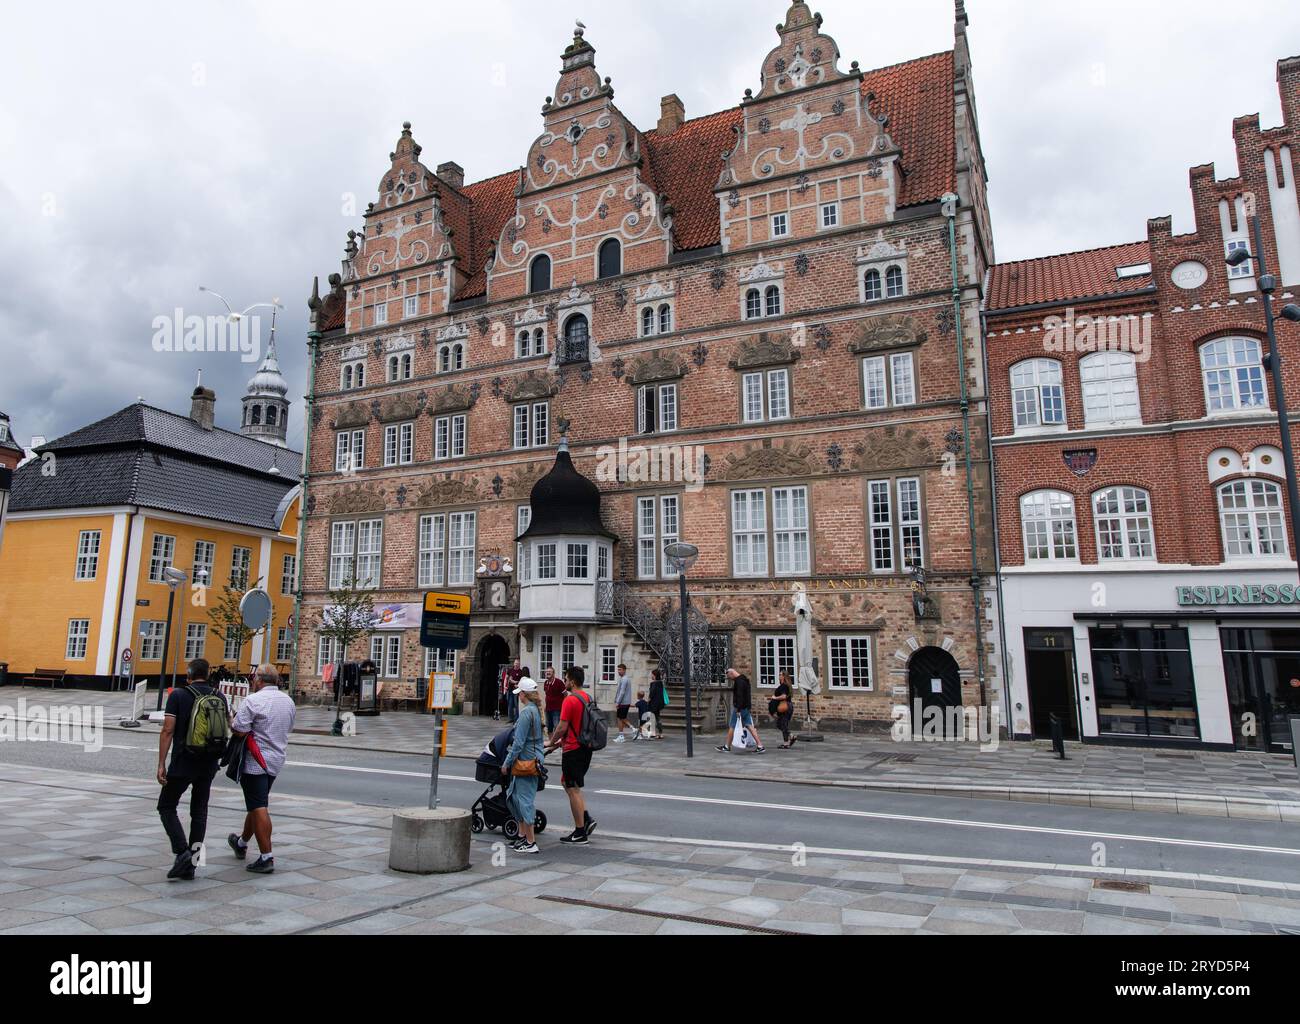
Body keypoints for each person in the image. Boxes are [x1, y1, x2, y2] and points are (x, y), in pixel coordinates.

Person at [156, 659, 228, 880]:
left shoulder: (178, 695)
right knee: (199, 812)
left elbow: (168, 730)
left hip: (183, 760)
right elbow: (227, 725)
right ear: (207, 675)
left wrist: (161, 763)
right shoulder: (219, 696)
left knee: (166, 806)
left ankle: (182, 852)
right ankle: (192, 865)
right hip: (209, 762)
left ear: (188, 675)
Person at [227, 664, 296, 873]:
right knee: (257, 802)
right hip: (276, 759)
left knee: (258, 806)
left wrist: (231, 720)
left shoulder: (253, 700)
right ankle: (241, 842)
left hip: (255, 761)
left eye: (254, 678)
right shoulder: (288, 701)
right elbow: (289, 727)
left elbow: (239, 730)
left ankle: (267, 857)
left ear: (258, 680)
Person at [544, 666, 598, 844]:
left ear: (572, 682)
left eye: (566, 679)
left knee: (573, 788)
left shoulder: (570, 700)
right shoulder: (588, 698)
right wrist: (558, 744)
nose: (564, 682)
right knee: (568, 783)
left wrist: (551, 741)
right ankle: (586, 818)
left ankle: (580, 831)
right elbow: (579, 725)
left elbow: (562, 727)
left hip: (573, 749)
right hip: (585, 747)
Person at [501, 679, 545, 855]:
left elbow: (518, 743)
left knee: (524, 801)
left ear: (524, 694)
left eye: (520, 692)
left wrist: (506, 763)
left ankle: (531, 841)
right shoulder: (534, 710)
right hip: (530, 759)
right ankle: (522, 835)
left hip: (525, 762)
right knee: (514, 797)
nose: (518, 695)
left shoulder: (527, 713)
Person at [717, 667, 764, 754]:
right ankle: (760, 745)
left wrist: (738, 709)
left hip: (740, 708)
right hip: (746, 707)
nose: (730, 679)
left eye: (729, 677)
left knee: (732, 725)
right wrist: (748, 707)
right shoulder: (745, 680)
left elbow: (740, 696)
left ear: (731, 673)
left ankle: (727, 746)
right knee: (749, 725)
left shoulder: (739, 682)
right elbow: (747, 696)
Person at [771, 670, 798, 749]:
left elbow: (784, 696)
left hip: (785, 706)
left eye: (780, 675)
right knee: (780, 724)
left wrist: (775, 698)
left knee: (782, 724)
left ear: (784, 676)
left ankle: (786, 743)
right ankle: (791, 737)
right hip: (787, 706)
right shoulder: (786, 685)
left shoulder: (783, 686)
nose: (779, 676)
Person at [613, 663, 635, 742]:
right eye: (618, 670)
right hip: (624, 702)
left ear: (624, 670)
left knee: (620, 718)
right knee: (621, 718)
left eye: (620, 670)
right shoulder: (624, 679)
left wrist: (618, 702)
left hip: (623, 702)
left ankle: (632, 730)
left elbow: (622, 692)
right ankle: (622, 735)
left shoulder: (624, 679)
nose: (618, 671)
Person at [543, 665, 565, 737]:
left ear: (553, 673)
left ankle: (558, 742)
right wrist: (545, 706)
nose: (548, 673)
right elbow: (547, 695)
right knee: (549, 728)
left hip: (557, 709)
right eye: (546, 672)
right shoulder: (545, 683)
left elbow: (565, 694)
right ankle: (551, 742)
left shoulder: (559, 682)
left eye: (549, 671)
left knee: (557, 727)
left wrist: (563, 705)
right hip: (548, 709)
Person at [648, 668, 667, 741]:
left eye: (652, 674)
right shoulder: (660, 683)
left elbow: (652, 693)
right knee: (658, 718)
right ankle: (660, 733)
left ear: (654, 675)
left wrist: (648, 700)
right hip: (659, 703)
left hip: (653, 704)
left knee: (652, 718)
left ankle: (653, 733)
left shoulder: (653, 683)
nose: (651, 676)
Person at [503, 658, 523, 723]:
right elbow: (506, 678)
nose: (516, 664)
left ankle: (516, 719)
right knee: (510, 704)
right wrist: (504, 686)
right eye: (515, 663)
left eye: (517, 663)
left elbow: (521, 681)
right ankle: (510, 718)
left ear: (519, 664)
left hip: (516, 690)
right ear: (514, 664)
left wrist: (514, 681)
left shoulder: (521, 672)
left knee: (516, 705)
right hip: (510, 690)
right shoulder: (510, 670)